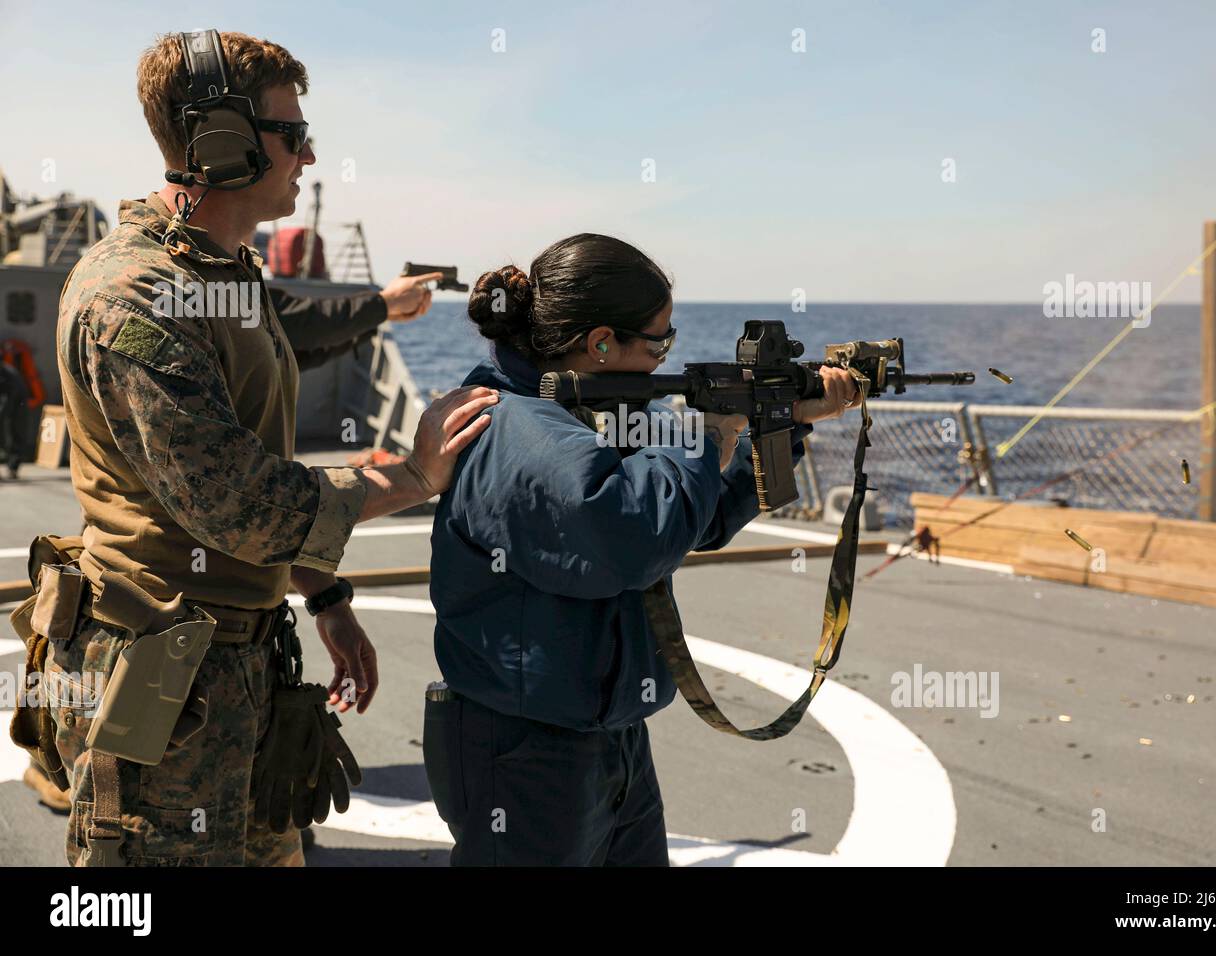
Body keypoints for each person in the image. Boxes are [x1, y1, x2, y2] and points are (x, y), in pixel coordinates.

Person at [44, 30, 497, 867]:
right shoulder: (135, 301)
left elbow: (267, 385)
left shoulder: (218, 273)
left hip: (237, 669)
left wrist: (324, 597)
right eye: (293, 133)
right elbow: (242, 505)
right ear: (222, 144)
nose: (310, 154)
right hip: (161, 693)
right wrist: (418, 473)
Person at [423, 233, 861, 865]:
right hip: (526, 751)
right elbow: (633, 536)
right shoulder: (515, 426)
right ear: (601, 342)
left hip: (604, 734)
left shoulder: (576, 409)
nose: (664, 359)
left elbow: (686, 521)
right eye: (659, 343)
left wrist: (786, 424)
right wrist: (715, 433)